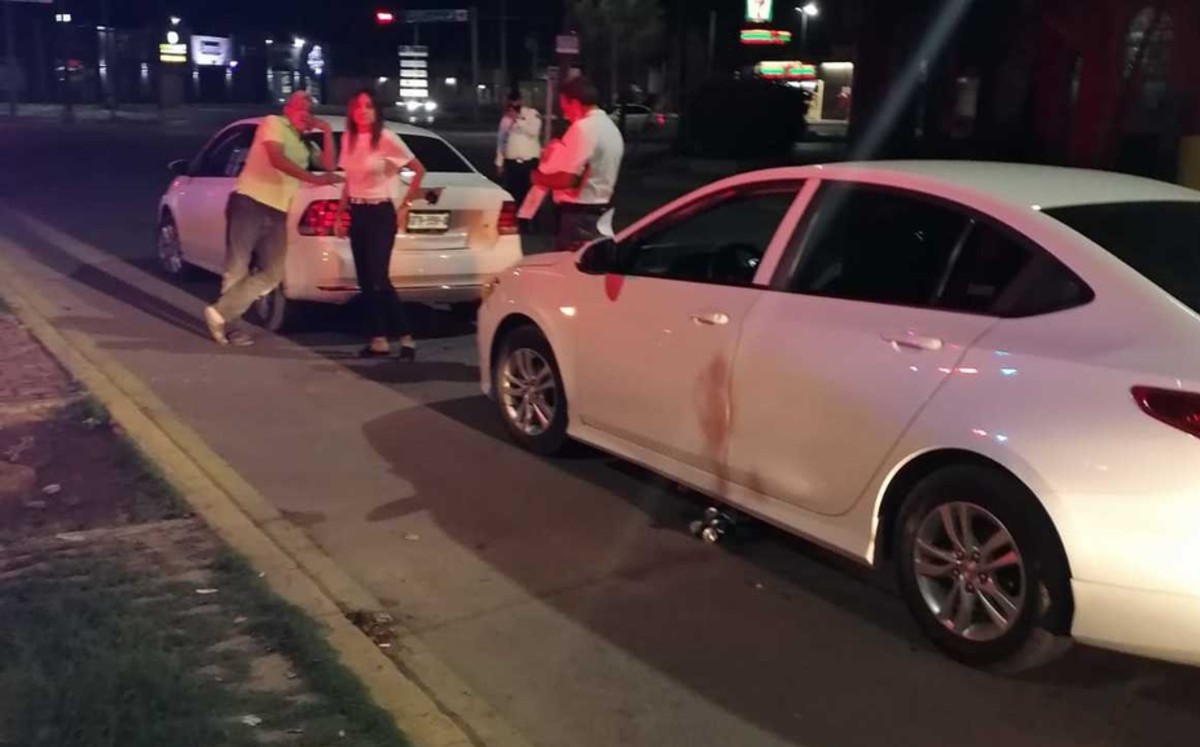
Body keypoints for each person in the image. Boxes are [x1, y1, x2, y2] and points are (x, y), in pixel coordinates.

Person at [203, 92, 340, 346]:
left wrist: (326, 130)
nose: (306, 109)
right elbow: (278, 160)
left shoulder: (307, 143)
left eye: (309, 106)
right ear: (287, 108)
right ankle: (231, 327)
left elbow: (330, 164)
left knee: (273, 272)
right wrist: (315, 179)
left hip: (278, 210)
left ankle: (220, 312)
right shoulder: (273, 124)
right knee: (238, 266)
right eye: (300, 104)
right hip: (250, 202)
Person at [334, 88, 427, 360]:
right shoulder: (349, 139)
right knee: (364, 278)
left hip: (381, 213)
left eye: (368, 106)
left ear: (376, 111)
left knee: (379, 276)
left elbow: (419, 170)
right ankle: (378, 340)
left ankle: (406, 336)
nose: (363, 111)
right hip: (358, 211)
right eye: (358, 106)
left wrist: (404, 206)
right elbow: (349, 181)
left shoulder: (386, 138)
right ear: (351, 111)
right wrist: (341, 213)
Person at [531, 75, 624, 252]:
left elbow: (569, 179)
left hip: (578, 218)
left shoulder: (582, 128)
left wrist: (538, 178)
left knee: (570, 271)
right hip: (601, 212)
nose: (564, 113)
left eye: (564, 106)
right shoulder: (610, 128)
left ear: (574, 102)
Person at [495, 91, 542, 230]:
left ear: (521, 102)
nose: (512, 108)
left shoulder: (532, 114)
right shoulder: (505, 119)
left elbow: (533, 132)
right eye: (510, 104)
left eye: (515, 104)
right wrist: (499, 162)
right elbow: (501, 141)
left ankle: (532, 223)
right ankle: (518, 222)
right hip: (511, 162)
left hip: (529, 162)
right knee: (514, 193)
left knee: (530, 194)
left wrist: (518, 120)